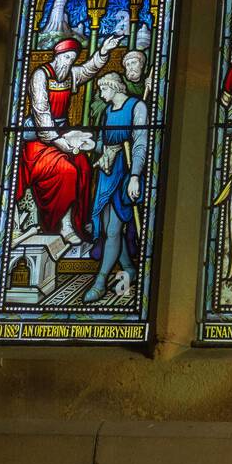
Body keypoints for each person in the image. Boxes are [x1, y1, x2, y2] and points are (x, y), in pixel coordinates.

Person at [18, 36, 121, 242]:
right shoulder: (41, 76)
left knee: (83, 165)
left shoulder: (69, 75)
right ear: (57, 56)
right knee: (67, 171)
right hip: (40, 139)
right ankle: (62, 226)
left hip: (63, 135)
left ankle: (75, 222)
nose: (69, 63)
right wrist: (59, 142)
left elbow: (87, 70)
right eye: (66, 58)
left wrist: (103, 52)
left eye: (72, 59)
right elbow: (42, 113)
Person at [83, 72, 147, 303]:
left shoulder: (137, 107)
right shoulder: (108, 112)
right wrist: (85, 143)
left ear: (114, 87)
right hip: (107, 173)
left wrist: (135, 177)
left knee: (113, 230)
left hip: (126, 171)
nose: (101, 93)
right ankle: (129, 267)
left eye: (104, 89)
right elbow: (102, 142)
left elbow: (140, 143)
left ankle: (100, 281)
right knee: (109, 227)